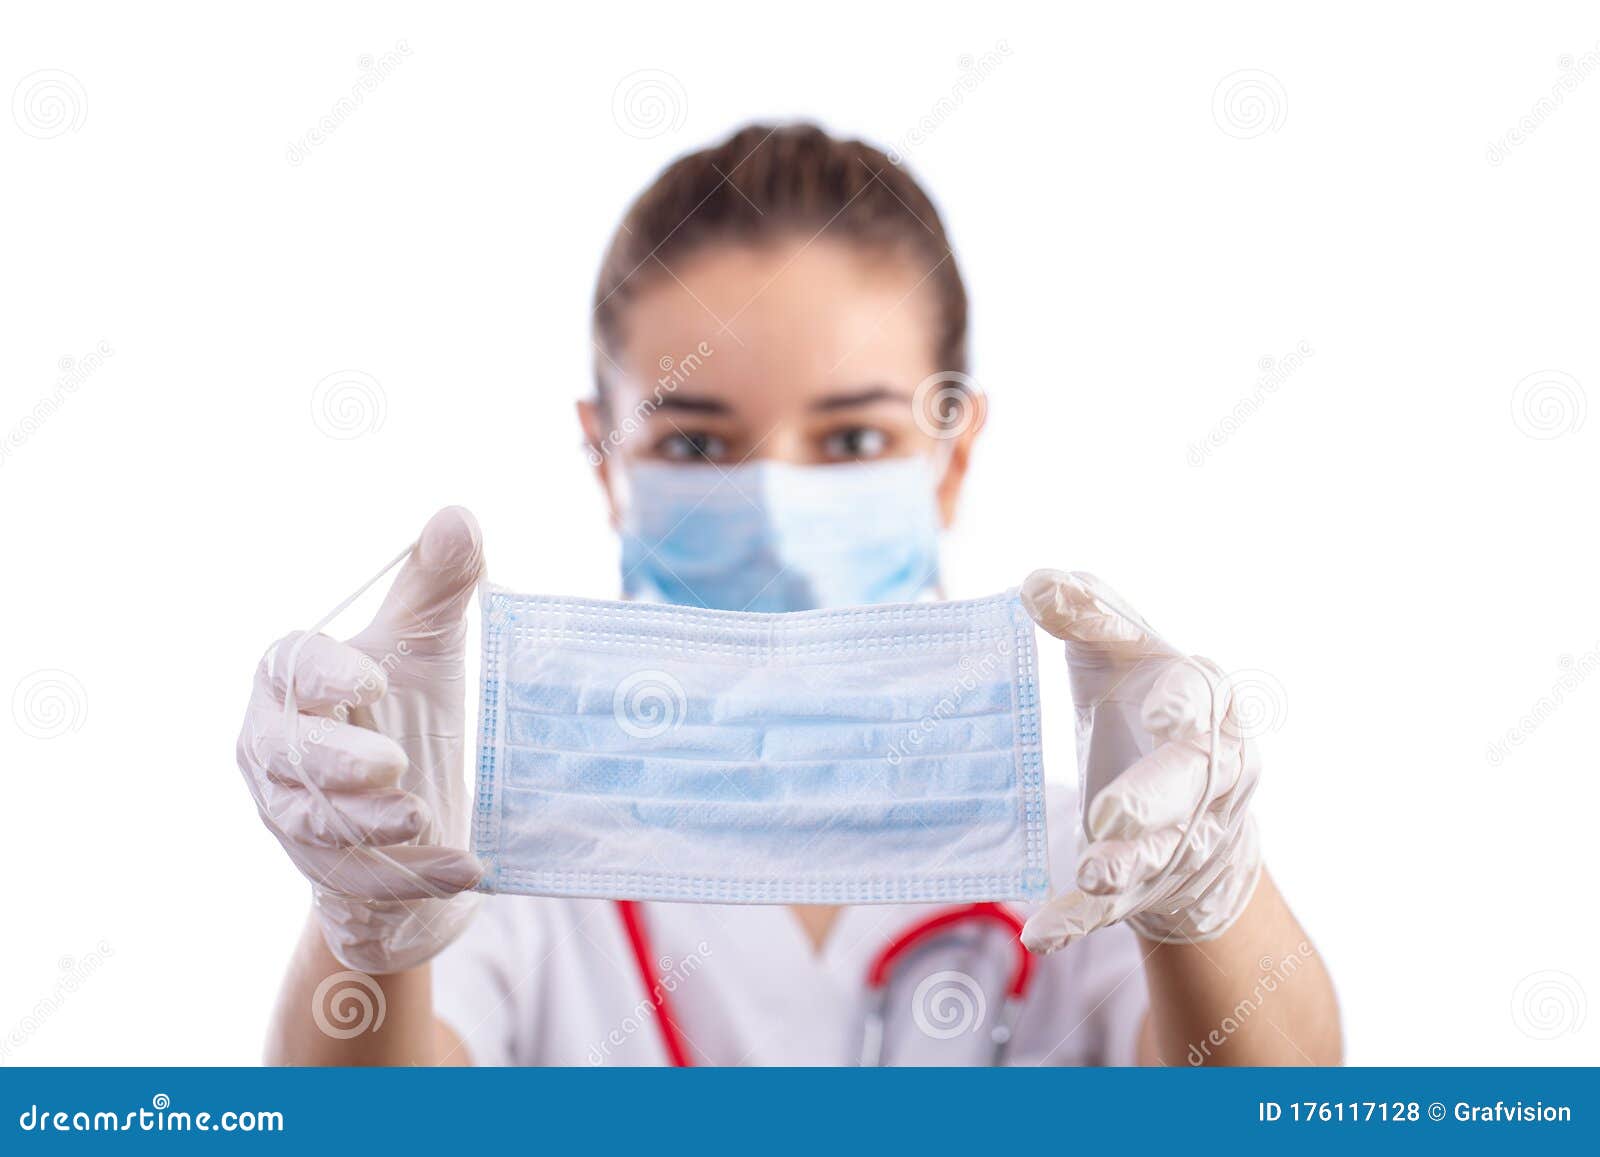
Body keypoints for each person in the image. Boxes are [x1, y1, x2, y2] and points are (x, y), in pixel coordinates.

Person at [240, 123, 1341, 1066]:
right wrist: (369, 924)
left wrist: (1206, 898)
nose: (772, 501)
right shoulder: (500, 869)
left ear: (952, 455)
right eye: (696, 439)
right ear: (604, 456)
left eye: (855, 435)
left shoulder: (1089, 859)